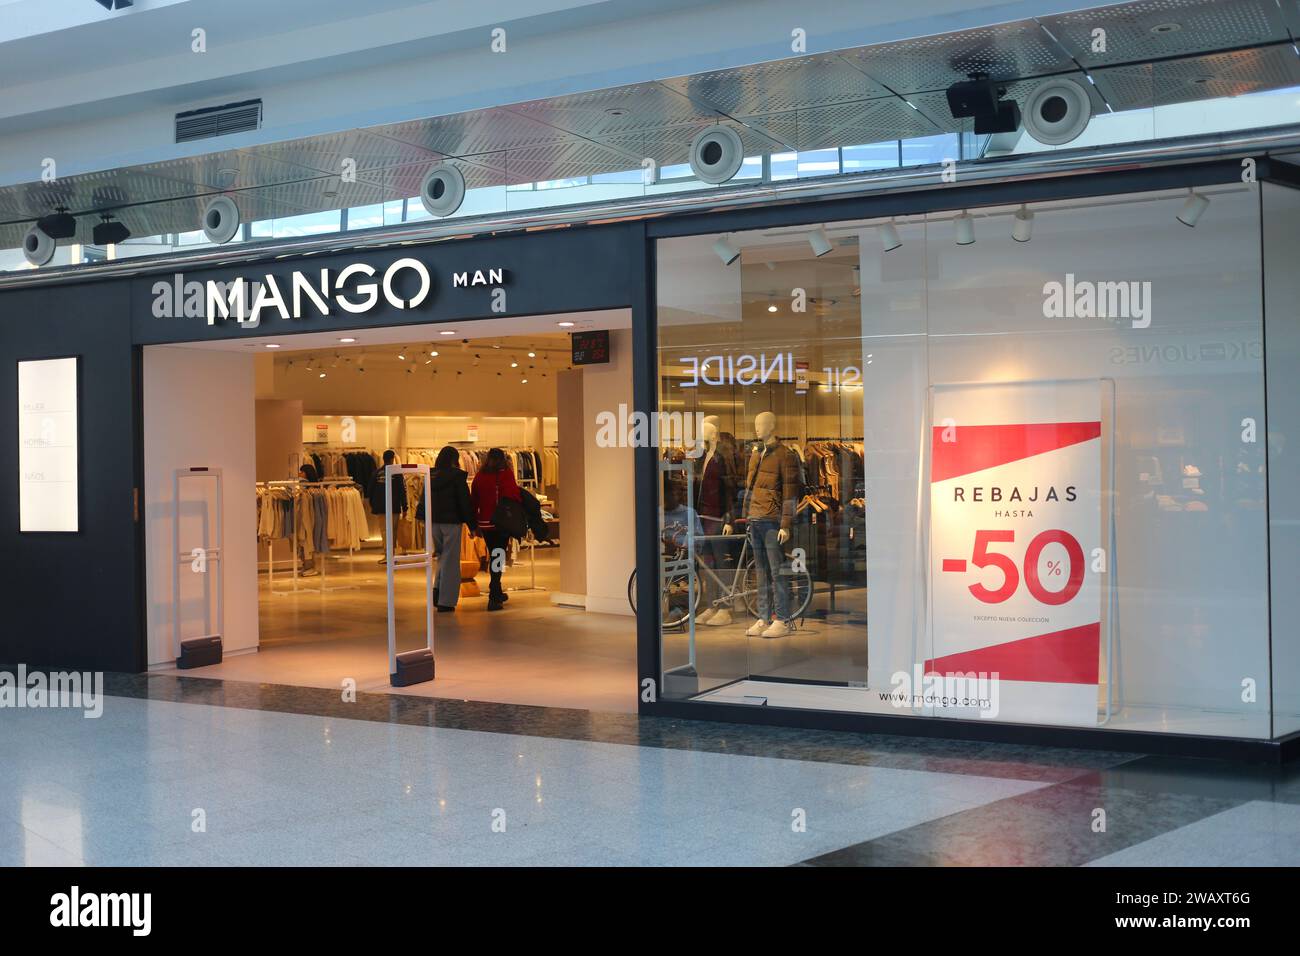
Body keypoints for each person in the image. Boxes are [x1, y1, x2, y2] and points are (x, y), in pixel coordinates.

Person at [470, 447, 521, 611]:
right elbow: (513, 496)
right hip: (501, 523)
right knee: (498, 556)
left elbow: (474, 500)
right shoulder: (506, 474)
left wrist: (475, 523)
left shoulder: (480, 476)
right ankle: (494, 593)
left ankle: (497, 591)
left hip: (485, 523)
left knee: (494, 554)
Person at [425, 445, 475, 612]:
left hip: (433, 522)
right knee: (451, 561)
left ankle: (437, 593)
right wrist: (472, 525)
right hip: (451, 523)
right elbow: (464, 502)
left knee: (441, 558)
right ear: (454, 459)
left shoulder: (430, 475)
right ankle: (446, 602)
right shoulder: (457, 476)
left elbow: (424, 499)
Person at [368, 449, 407, 564]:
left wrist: (373, 504)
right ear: (392, 459)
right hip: (394, 507)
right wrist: (404, 507)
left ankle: (387, 555)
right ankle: (391, 555)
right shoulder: (397, 473)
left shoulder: (377, 473)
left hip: (381, 508)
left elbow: (370, 490)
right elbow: (402, 491)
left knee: (384, 531)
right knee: (392, 531)